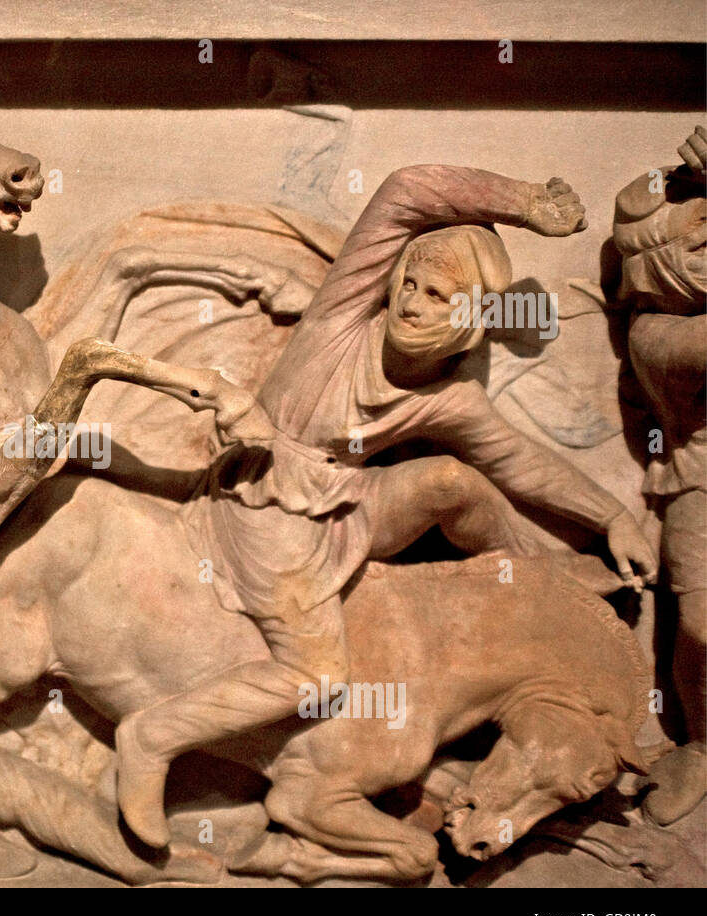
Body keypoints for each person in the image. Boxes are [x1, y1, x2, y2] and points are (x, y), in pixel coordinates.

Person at [115, 164, 659, 847]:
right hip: (261, 503)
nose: (412, 303)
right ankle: (150, 741)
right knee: (314, 673)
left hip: (339, 503)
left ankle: (550, 587)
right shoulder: (344, 315)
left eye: (437, 296)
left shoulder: (447, 396)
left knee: (451, 484)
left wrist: (615, 516)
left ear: (468, 316)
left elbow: (518, 459)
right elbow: (404, 192)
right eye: (410, 283)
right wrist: (524, 204)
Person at [615, 126, 707, 825]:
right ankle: (702, 746)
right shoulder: (661, 336)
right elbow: (631, 204)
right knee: (703, 626)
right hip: (698, 488)